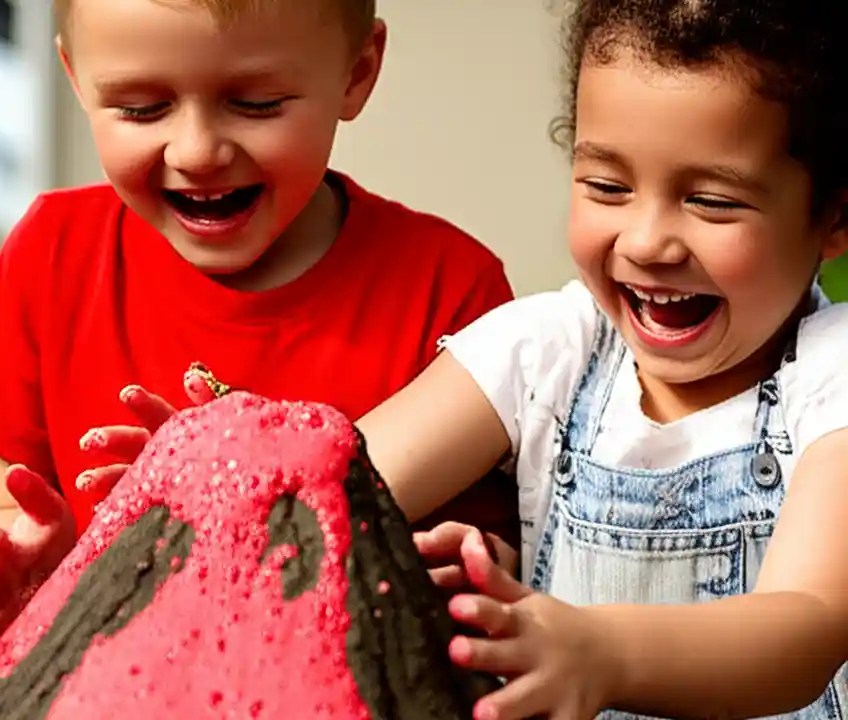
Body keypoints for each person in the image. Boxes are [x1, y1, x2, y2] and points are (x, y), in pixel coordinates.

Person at [89, 1, 848, 717]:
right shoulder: (546, 348)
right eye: (607, 187)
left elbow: (808, 628)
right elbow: (344, 478)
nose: (647, 242)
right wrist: (229, 479)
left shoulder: (833, 371)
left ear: (833, 215)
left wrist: (603, 651)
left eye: (713, 201)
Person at [0, 0, 518, 658]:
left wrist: (427, 580)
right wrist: (26, 574)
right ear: (77, 78)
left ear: (357, 72)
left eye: (256, 103)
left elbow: (496, 563)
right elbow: (0, 513)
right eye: (141, 108)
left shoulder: (449, 288)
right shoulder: (50, 258)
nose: (197, 152)